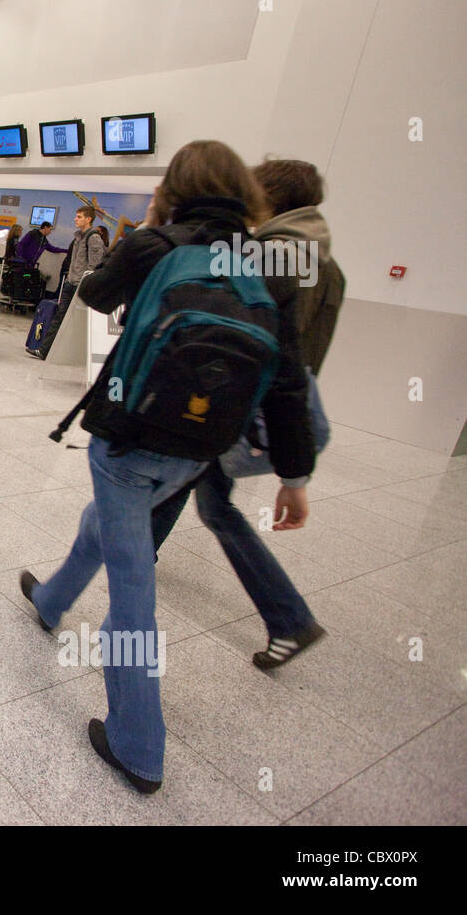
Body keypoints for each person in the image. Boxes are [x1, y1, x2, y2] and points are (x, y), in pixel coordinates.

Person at [17, 140, 316, 795]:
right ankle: (50, 600)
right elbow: (288, 382)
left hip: (127, 441)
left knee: (131, 586)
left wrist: (147, 236)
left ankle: (137, 745)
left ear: (175, 186)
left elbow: (94, 296)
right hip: (200, 450)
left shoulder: (158, 243)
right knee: (107, 527)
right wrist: (294, 477)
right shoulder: (268, 266)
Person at [147, 158, 345, 670]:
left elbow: (244, 343)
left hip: (229, 408)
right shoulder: (327, 264)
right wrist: (291, 455)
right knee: (196, 495)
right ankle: (134, 553)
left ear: (268, 198)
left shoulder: (265, 256)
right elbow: (307, 359)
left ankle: (289, 618)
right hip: (253, 410)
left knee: (205, 501)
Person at [27, 205, 106, 360]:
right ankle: (44, 350)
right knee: (59, 317)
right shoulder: (78, 237)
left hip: (81, 286)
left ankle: (76, 355)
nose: (75, 219)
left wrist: (84, 282)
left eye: (79, 217)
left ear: (88, 219)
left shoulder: (94, 238)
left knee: (76, 322)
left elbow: (95, 265)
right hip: (70, 283)